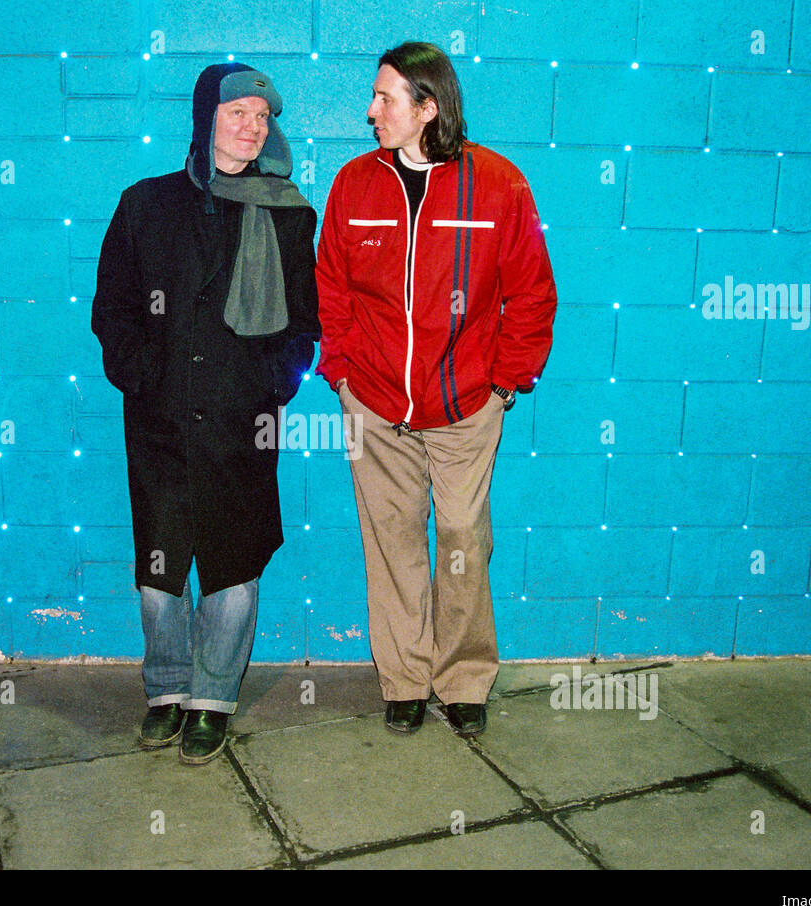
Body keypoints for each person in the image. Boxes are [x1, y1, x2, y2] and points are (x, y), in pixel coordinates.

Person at [315, 41, 556, 737]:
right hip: (377, 402)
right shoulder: (355, 184)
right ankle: (404, 678)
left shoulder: (500, 185)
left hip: (465, 405)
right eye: (374, 97)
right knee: (390, 540)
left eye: (385, 98)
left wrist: (505, 384)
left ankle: (464, 677)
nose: (371, 112)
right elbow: (330, 285)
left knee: (460, 537)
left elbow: (533, 295)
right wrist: (344, 374)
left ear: (428, 107)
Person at [90, 63, 318, 764]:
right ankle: (164, 689)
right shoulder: (144, 205)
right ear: (204, 117)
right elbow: (113, 310)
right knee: (160, 572)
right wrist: (142, 375)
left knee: (232, 565)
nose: (251, 127)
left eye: (261, 116)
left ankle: (212, 700)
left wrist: (269, 386)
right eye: (236, 112)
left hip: (239, 424)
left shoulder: (287, 213)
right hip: (159, 421)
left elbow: (304, 326)